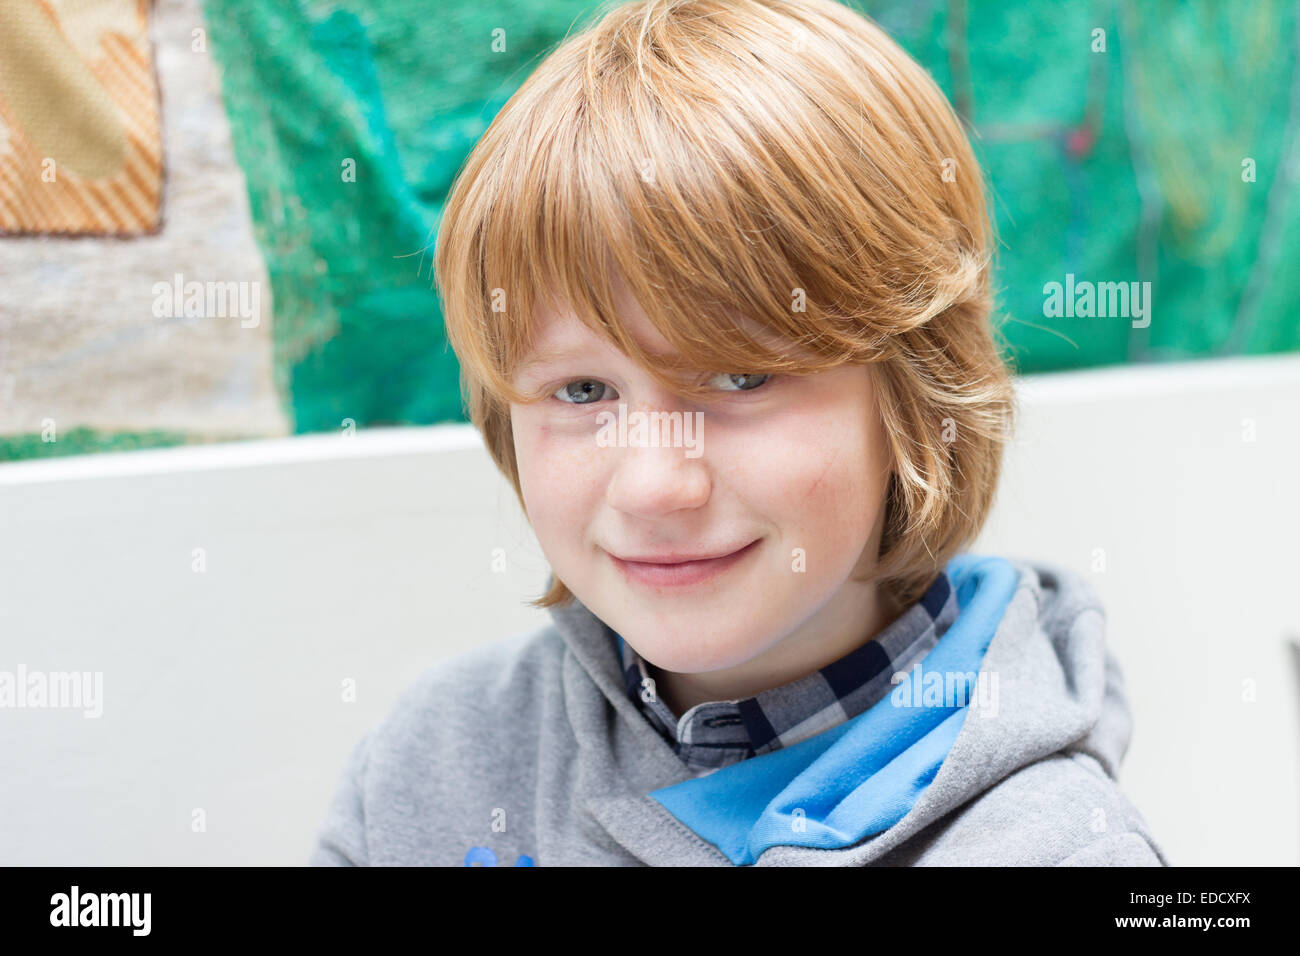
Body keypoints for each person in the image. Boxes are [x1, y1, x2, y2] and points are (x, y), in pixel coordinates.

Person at [310, 0, 1167, 866]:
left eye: (743, 376)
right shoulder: (428, 769)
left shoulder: (1054, 849)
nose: (652, 486)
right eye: (581, 389)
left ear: (915, 398)